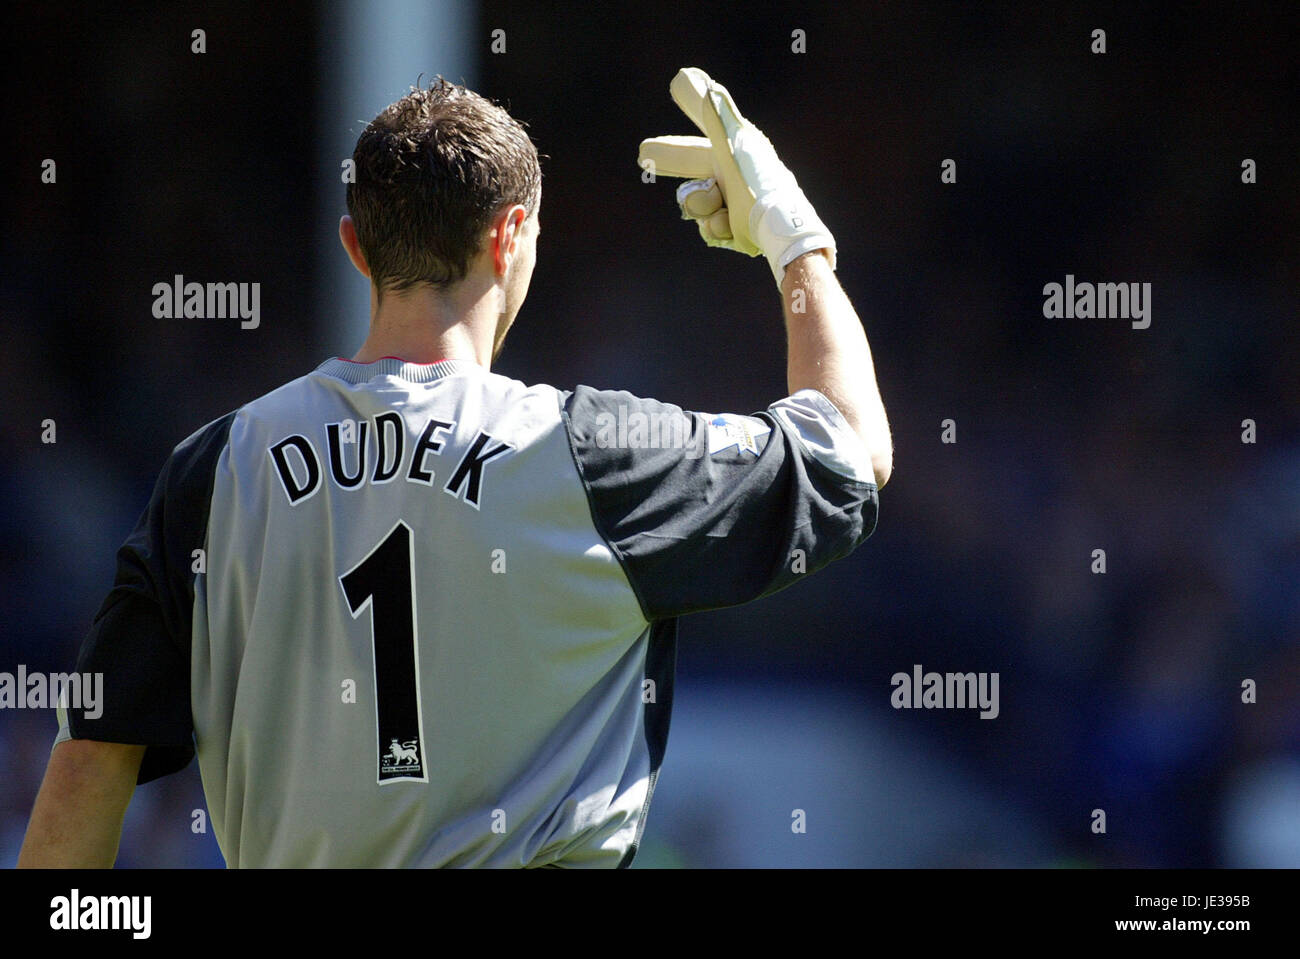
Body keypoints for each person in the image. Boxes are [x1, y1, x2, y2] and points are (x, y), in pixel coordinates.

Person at [19, 71, 891, 868]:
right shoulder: (591, 451)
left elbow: (88, 767)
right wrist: (795, 244)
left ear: (356, 247)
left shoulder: (213, 473)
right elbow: (850, 452)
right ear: (511, 235)